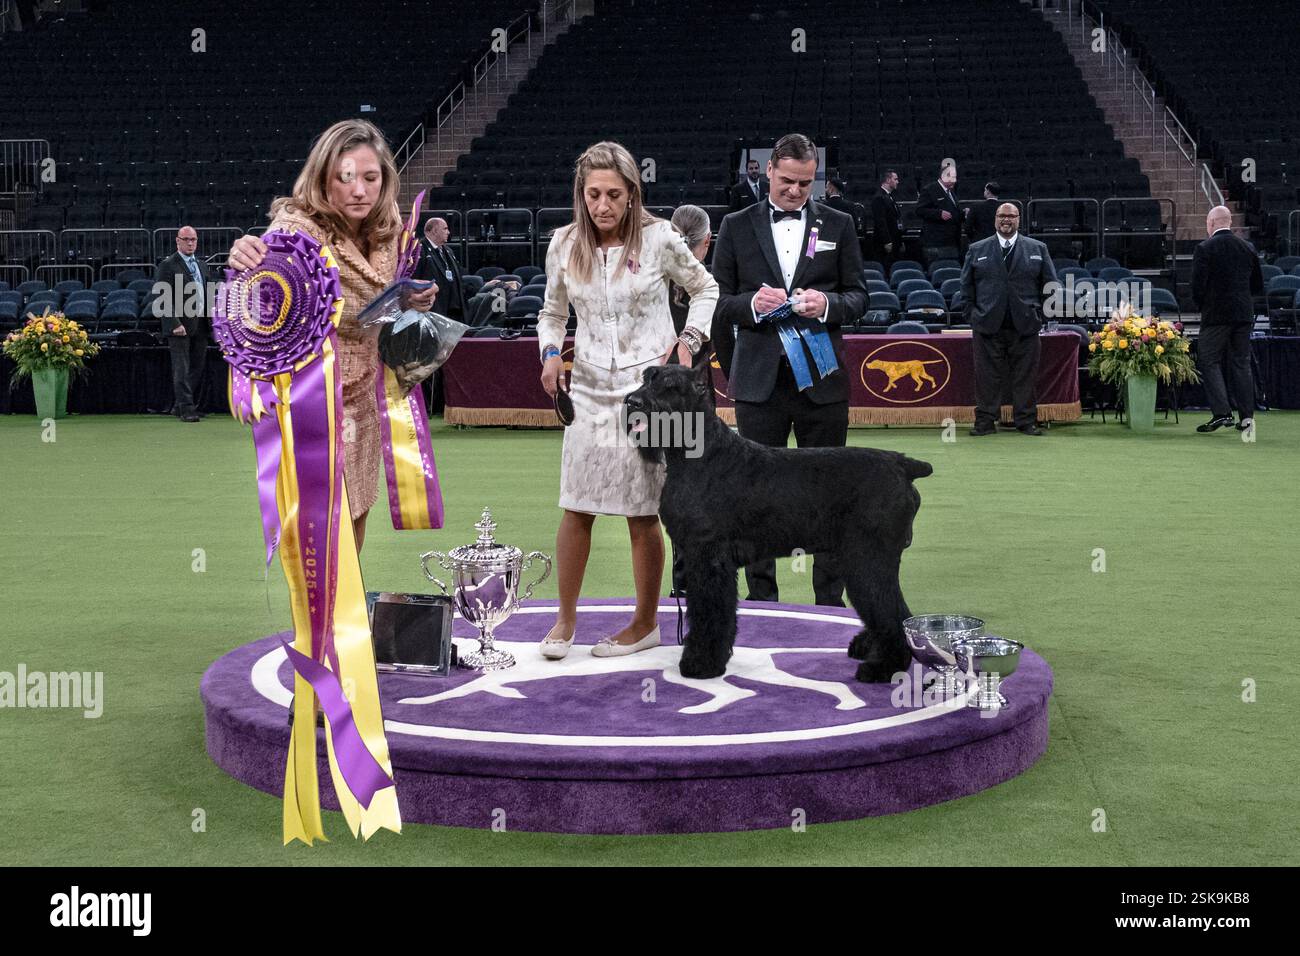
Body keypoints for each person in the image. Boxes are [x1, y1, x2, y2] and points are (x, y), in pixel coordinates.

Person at [536, 142, 718, 659]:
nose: (602, 205)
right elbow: (552, 313)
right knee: (576, 506)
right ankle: (564, 623)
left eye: (614, 194)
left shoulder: (662, 239)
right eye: (592, 194)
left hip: (652, 397)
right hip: (587, 390)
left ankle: (645, 624)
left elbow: (706, 289)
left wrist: (688, 343)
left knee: (645, 510)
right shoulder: (563, 244)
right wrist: (551, 353)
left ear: (633, 195)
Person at [226, 119, 437, 552]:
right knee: (319, 515)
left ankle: (348, 613)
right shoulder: (294, 233)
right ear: (323, 179)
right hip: (312, 395)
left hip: (365, 392)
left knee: (357, 506)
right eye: (345, 178)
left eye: (370, 177)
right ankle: (320, 618)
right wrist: (242, 260)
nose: (359, 189)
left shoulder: (390, 233)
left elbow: (377, 305)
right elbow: (258, 298)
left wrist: (408, 301)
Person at [711, 132, 866, 606]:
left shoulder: (840, 223)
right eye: (787, 181)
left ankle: (829, 603)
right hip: (760, 382)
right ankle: (761, 602)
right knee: (755, 495)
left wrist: (828, 303)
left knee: (830, 492)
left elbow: (859, 297)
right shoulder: (736, 225)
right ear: (768, 170)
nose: (795, 191)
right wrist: (752, 305)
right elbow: (716, 300)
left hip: (823, 381)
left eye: (805, 184)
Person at [960, 203, 1058, 436]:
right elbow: (966, 288)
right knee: (985, 378)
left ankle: (1025, 421)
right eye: (1002, 216)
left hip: (1025, 326)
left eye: (1011, 216)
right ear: (995, 219)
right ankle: (984, 422)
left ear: (1019, 219)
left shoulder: (1038, 248)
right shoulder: (976, 249)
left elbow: (1051, 286)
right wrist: (973, 316)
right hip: (987, 326)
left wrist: (1039, 316)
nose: (1006, 220)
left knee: (1025, 377)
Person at [666, 204, 716, 598]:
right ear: (706, 243)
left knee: (665, 496)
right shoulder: (708, 286)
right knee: (698, 494)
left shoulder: (650, 280)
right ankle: (694, 583)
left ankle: (678, 588)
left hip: (651, 404)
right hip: (692, 404)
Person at [1191, 205, 1263, 433]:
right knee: (1241, 364)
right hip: (1243, 314)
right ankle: (1246, 418)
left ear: (1211, 223)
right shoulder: (1248, 247)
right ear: (1229, 222)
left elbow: (1197, 287)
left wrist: (1203, 305)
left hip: (1216, 315)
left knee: (1208, 360)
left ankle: (1221, 413)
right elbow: (1258, 285)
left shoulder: (1205, 248)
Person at [154, 225, 210, 423]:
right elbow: (162, 296)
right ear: (177, 241)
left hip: (201, 323)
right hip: (180, 325)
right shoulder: (168, 265)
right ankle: (186, 408)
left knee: (197, 366)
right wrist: (173, 323)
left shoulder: (202, 265)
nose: (190, 243)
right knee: (182, 368)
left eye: (193, 239)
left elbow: (209, 293)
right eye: (186, 239)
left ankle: (181, 405)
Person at [414, 216, 466, 320]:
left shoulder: (448, 251)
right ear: (434, 231)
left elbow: (458, 276)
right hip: (433, 308)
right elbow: (415, 279)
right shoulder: (419, 249)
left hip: (453, 308)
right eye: (445, 228)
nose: (448, 232)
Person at [916, 162, 963, 266]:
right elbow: (919, 210)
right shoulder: (929, 189)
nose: (955, 181)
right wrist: (938, 213)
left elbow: (953, 213)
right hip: (936, 243)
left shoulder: (951, 192)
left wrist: (963, 213)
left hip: (952, 242)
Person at [871, 168, 904, 267]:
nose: (898, 181)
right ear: (888, 180)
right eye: (896, 179)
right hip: (885, 243)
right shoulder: (879, 197)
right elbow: (880, 221)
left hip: (894, 240)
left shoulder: (889, 196)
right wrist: (887, 241)